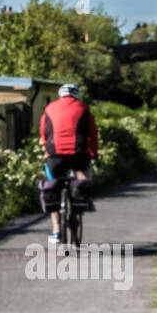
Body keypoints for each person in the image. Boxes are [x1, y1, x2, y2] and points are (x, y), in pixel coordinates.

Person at [39, 83, 98, 243]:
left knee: (53, 185)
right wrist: (94, 153)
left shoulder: (49, 108)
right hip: (79, 154)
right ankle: (85, 197)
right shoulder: (84, 108)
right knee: (84, 172)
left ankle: (57, 230)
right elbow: (92, 133)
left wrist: (47, 149)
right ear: (77, 95)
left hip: (55, 155)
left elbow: (44, 133)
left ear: (60, 95)